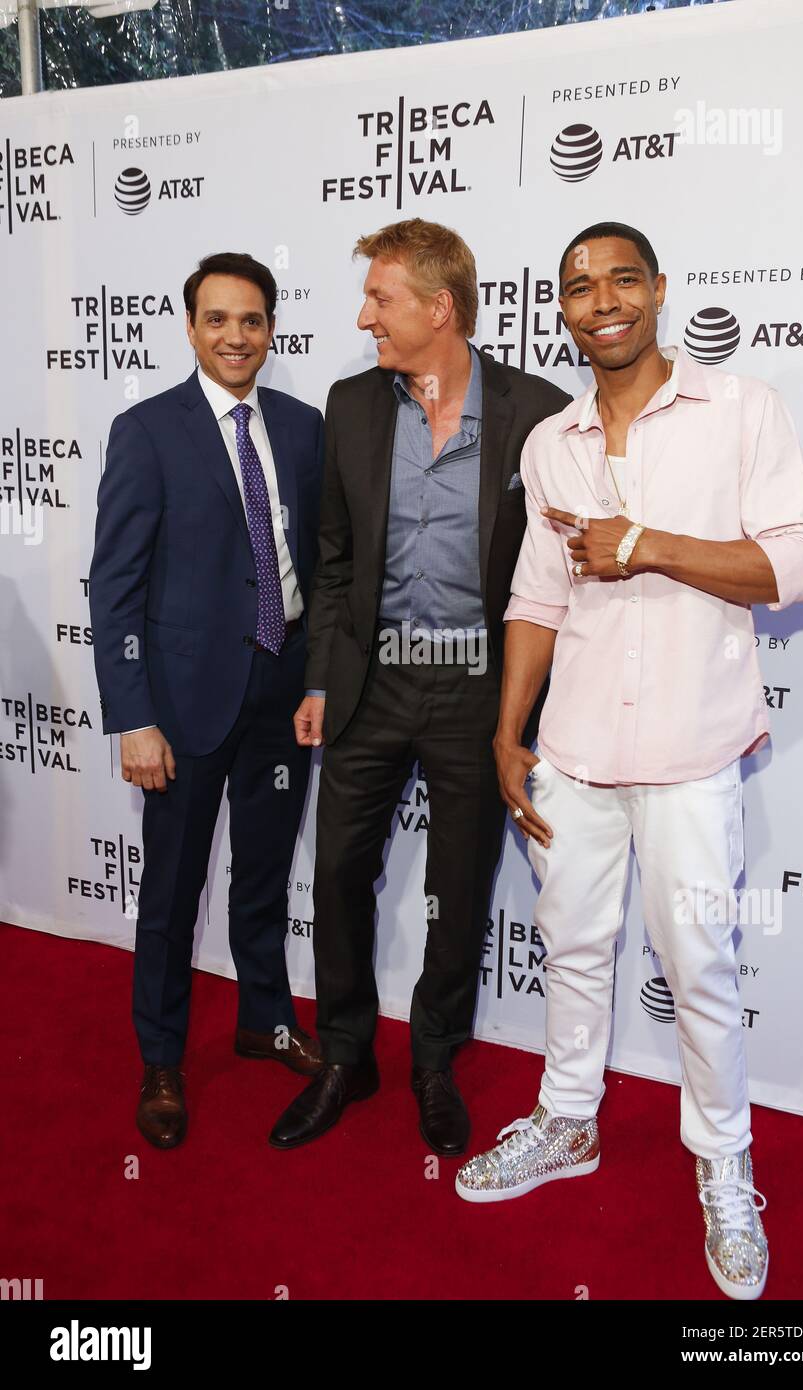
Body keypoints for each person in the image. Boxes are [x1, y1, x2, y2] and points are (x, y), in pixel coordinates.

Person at [454, 221, 803, 1301]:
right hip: (571, 749)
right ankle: (567, 1121)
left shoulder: (741, 410)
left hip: (688, 750)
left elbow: (795, 566)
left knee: (700, 972)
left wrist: (646, 541)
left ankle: (723, 1168)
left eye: (621, 278)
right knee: (571, 948)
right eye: (578, 287)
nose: (600, 299)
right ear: (560, 309)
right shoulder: (549, 440)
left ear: (658, 290)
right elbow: (535, 596)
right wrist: (506, 730)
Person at [269, 218, 571, 1156]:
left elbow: (559, 573)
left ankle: (434, 1059)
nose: (365, 318)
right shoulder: (352, 405)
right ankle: (345, 1055)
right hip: (370, 684)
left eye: (381, 299)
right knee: (339, 874)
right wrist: (320, 676)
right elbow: (333, 558)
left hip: (479, 693)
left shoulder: (536, 410)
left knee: (457, 886)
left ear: (441, 308)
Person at [90, 252, 324, 1149]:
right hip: (182, 704)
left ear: (271, 329)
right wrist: (133, 715)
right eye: (218, 319)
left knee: (264, 871)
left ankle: (264, 1019)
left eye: (253, 320)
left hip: (281, 686)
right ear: (191, 327)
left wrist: (314, 680)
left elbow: (319, 566)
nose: (236, 336)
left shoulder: (301, 428)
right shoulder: (147, 431)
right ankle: (161, 1057)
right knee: (172, 888)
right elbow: (114, 586)